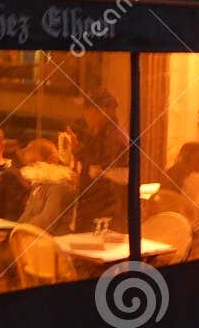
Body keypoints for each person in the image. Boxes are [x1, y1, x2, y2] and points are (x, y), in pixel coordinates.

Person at [68, 89, 128, 230]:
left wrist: (81, 155)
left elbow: (105, 174)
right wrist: (78, 152)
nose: (85, 114)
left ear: (104, 110)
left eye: (89, 109)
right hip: (94, 212)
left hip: (103, 217)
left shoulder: (115, 139)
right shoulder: (100, 135)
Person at [17, 139, 79, 232]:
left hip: (56, 240)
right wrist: (13, 228)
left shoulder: (59, 186)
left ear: (52, 160)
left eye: (34, 162)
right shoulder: (38, 185)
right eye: (28, 163)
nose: (30, 167)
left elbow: (47, 221)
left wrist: (20, 228)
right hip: (36, 237)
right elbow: (28, 212)